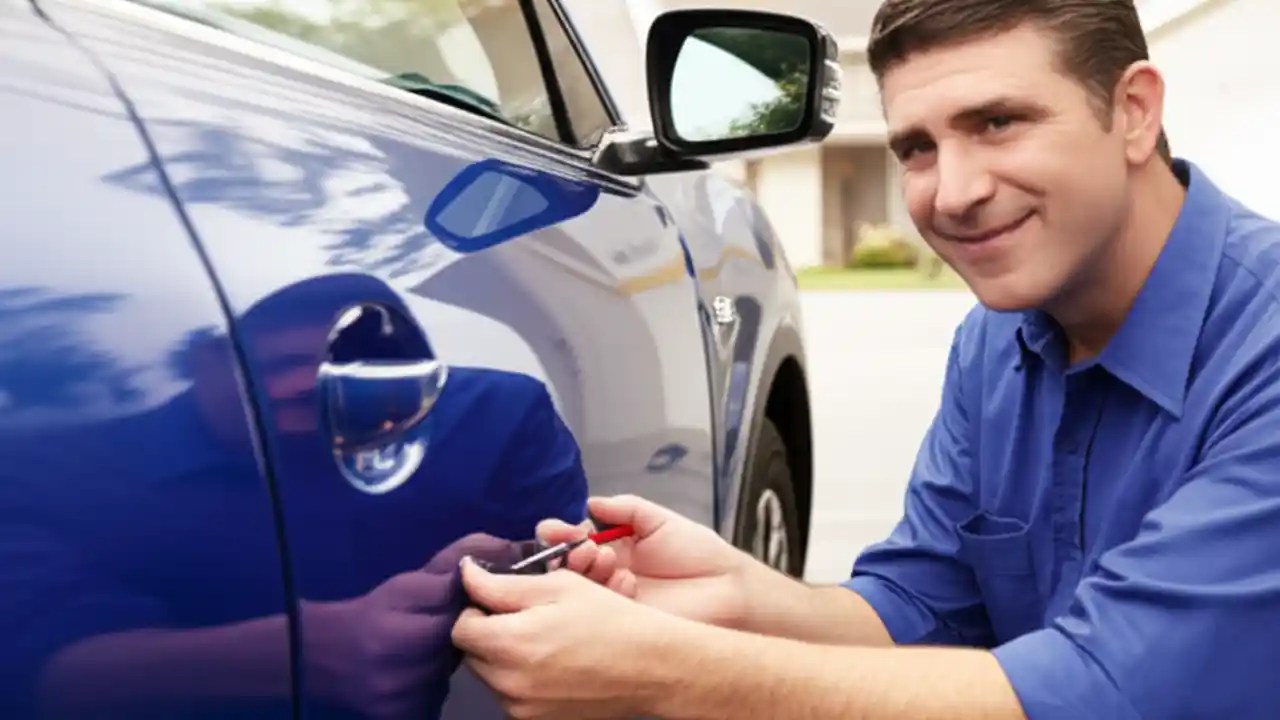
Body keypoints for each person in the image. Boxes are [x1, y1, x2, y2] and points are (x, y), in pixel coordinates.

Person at [450, 0, 1280, 718]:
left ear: (1133, 110)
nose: (952, 193)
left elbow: (1108, 694)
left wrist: (659, 672)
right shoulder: (1000, 341)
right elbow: (924, 603)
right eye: (916, 147)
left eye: (998, 122)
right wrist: (732, 596)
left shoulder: (1263, 344)